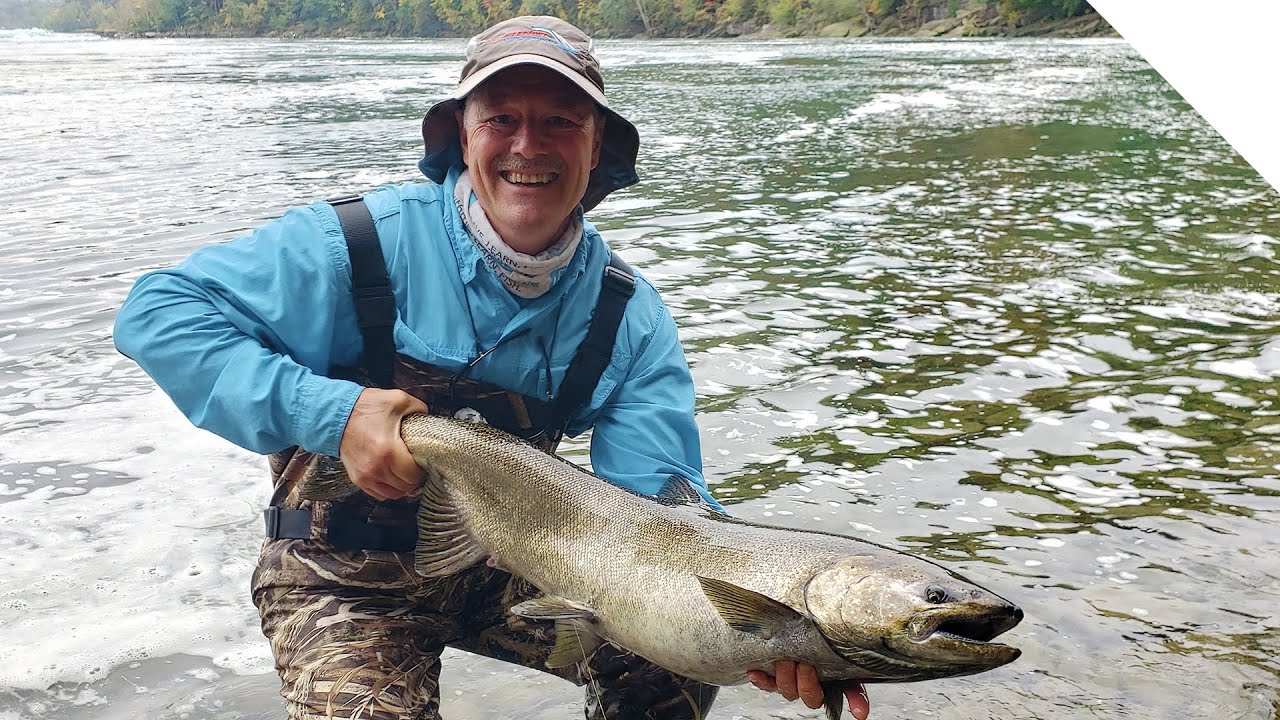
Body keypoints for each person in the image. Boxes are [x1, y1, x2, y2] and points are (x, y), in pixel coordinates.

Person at [113, 15, 870, 720]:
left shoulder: (628, 317)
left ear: (598, 147)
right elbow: (157, 312)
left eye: (560, 122)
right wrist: (332, 414)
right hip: (339, 575)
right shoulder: (356, 244)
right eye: (501, 118)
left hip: (518, 569)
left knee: (677, 670)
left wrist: (791, 633)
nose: (527, 146)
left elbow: (665, 518)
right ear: (463, 136)